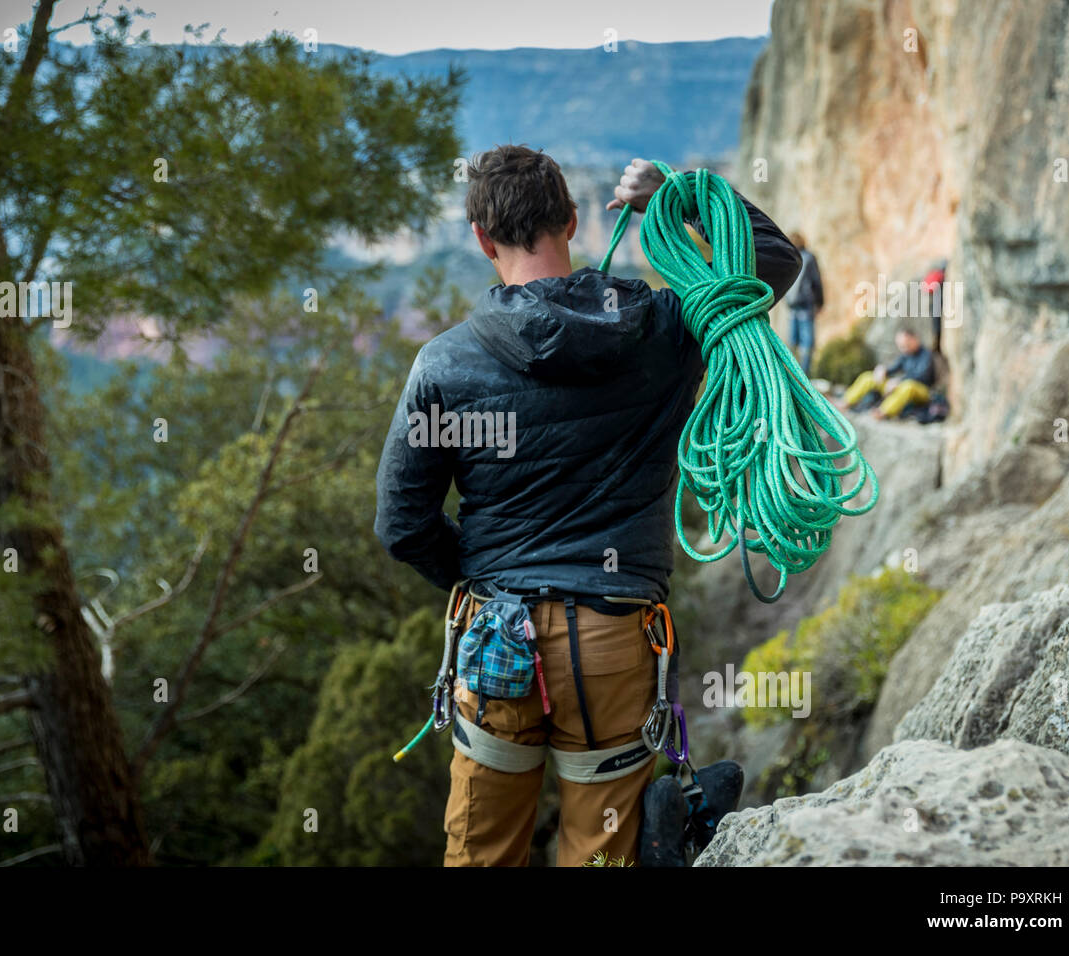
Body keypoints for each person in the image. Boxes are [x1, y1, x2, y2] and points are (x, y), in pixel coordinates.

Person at [373, 147, 801, 867]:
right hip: (615, 640)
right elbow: (774, 262)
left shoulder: (443, 366)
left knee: (481, 855)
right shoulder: (666, 329)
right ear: (572, 220)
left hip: (496, 640)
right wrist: (681, 196)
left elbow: (402, 525)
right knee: (602, 852)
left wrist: (488, 576)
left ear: (481, 239)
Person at [842, 326, 936, 419]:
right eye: (901, 346)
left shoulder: (926, 354)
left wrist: (898, 381)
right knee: (869, 377)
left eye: (906, 345)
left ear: (914, 339)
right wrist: (883, 371)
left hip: (923, 391)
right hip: (902, 385)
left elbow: (921, 376)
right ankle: (845, 402)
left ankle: (882, 412)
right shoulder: (905, 355)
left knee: (908, 386)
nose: (903, 348)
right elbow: (893, 368)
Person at [782, 232, 824, 375]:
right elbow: (816, 281)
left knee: (793, 342)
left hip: (792, 306)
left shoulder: (788, 256)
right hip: (806, 305)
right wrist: (820, 302)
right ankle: (804, 376)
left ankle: (791, 374)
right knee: (807, 343)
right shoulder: (809, 258)